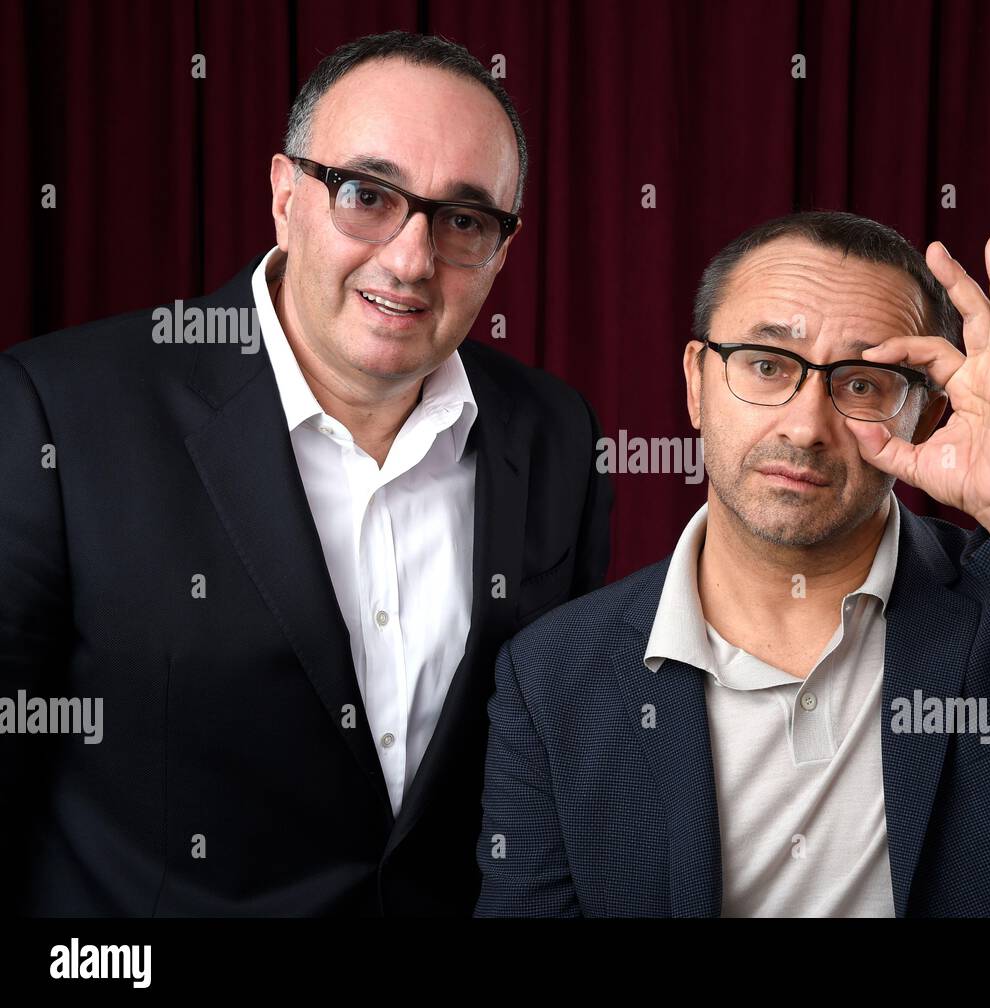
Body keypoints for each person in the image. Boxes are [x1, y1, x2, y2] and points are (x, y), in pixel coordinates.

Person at [475, 211, 990, 917]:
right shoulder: (550, 677)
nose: (806, 425)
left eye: (863, 383)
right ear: (697, 384)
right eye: (767, 365)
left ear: (925, 411)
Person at [1, 31, 611, 916]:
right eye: (366, 195)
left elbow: (548, 766)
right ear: (286, 196)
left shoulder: (559, 434)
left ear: (502, 251)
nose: (410, 260)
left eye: (464, 220)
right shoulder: (54, 411)